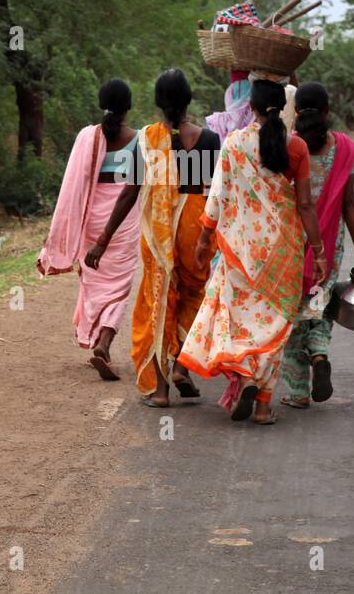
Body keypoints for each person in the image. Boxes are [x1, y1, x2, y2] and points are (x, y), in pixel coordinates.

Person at [177, 76, 329, 426]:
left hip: (240, 251)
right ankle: (262, 405)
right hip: (283, 251)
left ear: (252, 108)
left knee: (240, 320)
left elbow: (218, 197)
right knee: (273, 325)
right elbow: (305, 205)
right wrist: (318, 251)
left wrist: (203, 240)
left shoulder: (233, 143)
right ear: (283, 107)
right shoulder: (296, 147)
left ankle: (244, 375)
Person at [84, 69, 221, 406]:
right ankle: (181, 368)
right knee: (192, 297)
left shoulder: (146, 140)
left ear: (158, 104)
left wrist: (102, 240)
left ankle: (160, 391)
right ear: (188, 100)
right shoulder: (207, 139)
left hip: (159, 236)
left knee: (158, 303)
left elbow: (129, 193)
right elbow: (212, 192)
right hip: (195, 230)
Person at [37, 79, 141, 380]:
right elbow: (134, 189)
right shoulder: (139, 140)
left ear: (101, 104)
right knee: (119, 288)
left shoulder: (87, 137)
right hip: (121, 223)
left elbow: (73, 185)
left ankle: (96, 340)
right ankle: (104, 342)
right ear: (129, 107)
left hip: (91, 220)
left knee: (93, 282)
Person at [278, 83, 354, 409]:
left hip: (292, 244)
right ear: (328, 112)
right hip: (329, 245)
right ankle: (319, 353)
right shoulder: (342, 149)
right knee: (318, 304)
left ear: (295, 112)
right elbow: (350, 204)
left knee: (292, 313)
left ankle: (298, 392)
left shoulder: (289, 147)